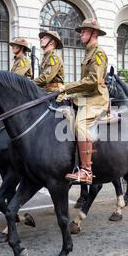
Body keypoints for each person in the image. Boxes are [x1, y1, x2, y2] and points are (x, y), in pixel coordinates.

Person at [56, 18, 109, 185]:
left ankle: (86, 170)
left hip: (97, 98)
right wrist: (69, 95)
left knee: (81, 124)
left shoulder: (98, 53)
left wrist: (67, 88)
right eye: (81, 31)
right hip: (86, 97)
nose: (81, 34)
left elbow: (93, 80)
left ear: (93, 33)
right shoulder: (88, 52)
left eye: (84, 31)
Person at [34, 30, 66, 102]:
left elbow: (45, 78)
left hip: (54, 93)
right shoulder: (46, 57)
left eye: (45, 38)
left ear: (51, 42)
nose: (41, 39)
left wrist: (28, 83)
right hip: (46, 92)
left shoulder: (54, 57)